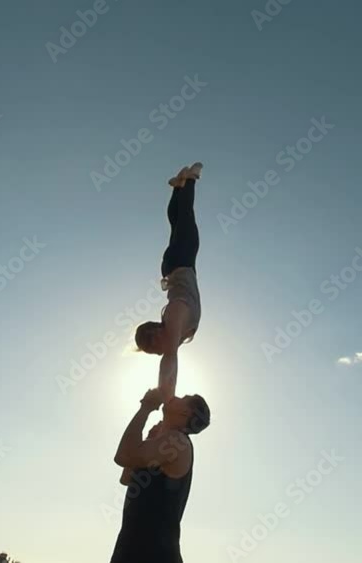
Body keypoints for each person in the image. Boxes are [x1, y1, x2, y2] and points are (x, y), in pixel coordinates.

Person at [111, 388, 211, 563]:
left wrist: (146, 408)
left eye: (182, 397)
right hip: (131, 550)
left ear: (186, 411)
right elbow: (126, 478)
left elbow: (123, 456)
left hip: (153, 553)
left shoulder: (177, 441)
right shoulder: (166, 444)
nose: (175, 396)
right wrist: (148, 440)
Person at [135, 163, 204, 401]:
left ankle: (191, 179)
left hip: (180, 262)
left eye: (155, 346)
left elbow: (170, 359)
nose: (159, 351)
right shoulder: (178, 330)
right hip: (174, 266)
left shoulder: (174, 319)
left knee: (186, 221)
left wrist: (165, 396)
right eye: (154, 352)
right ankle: (178, 187)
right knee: (177, 224)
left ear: (156, 331)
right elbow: (170, 354)